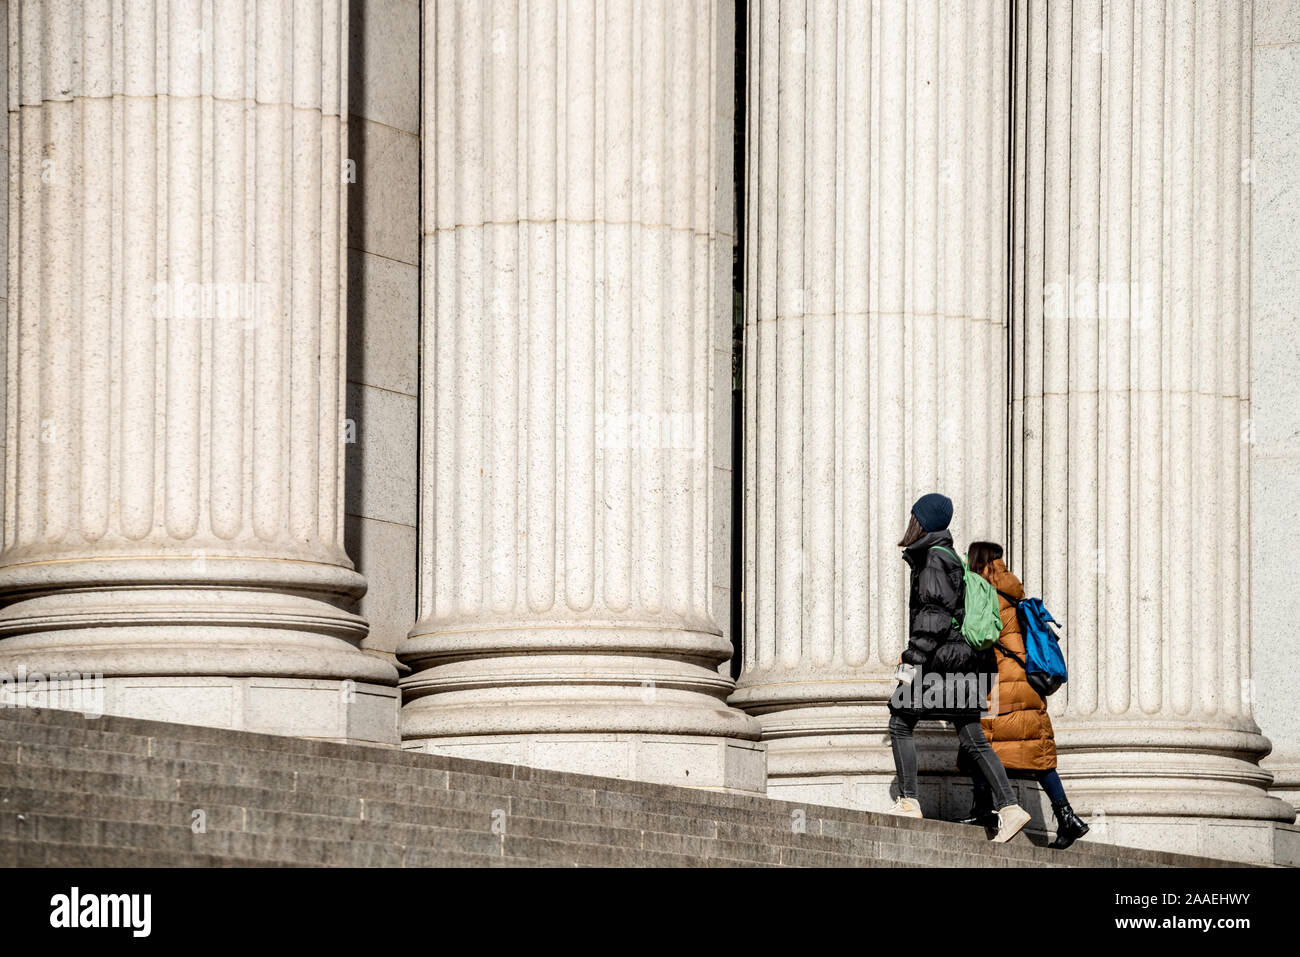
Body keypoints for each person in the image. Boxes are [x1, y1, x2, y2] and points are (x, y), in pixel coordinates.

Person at [886, 493, 1031, 845]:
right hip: (962, 658)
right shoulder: (949, 555)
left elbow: (933, 616)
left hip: (940, 659)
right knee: (971, 736)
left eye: (914, 516)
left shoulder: (934, 558)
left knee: (900, 721)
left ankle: (908, 801)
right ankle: (1010, 807)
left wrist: (912, 658)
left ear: (922, 521)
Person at [958, 540, 1089, 850]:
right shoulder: (1014, 591)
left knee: (977, 742)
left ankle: (983, 809)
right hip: (1024, 683)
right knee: (1037, 754)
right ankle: (1066, 816)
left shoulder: (985, 592)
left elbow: (981, 637)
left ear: (977, 562)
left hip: (1002, 683)